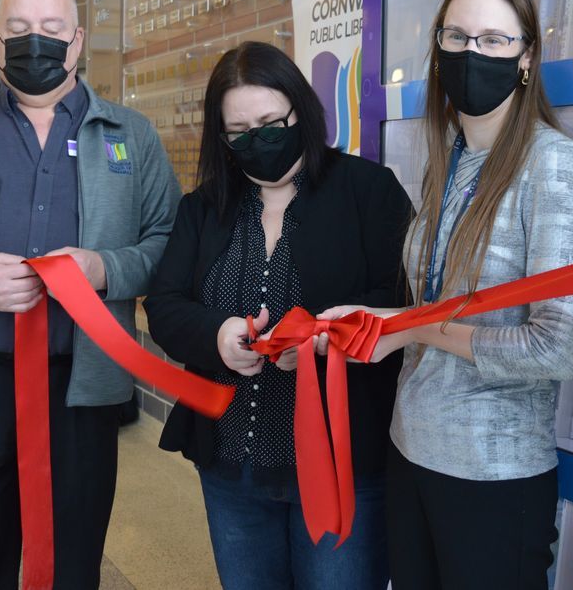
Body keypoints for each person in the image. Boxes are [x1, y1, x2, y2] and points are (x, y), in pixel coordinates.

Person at [319, 0, 573, 590]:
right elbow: (430, 302)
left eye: (494, 40)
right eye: (458, 37)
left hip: (493, 473)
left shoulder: (554, 163)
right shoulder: (447, 158)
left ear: (526, 57)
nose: (473, 53)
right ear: (439, 52)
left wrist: (413, 329)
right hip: (410, 450)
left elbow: (559, 345)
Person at [0, 0, 181, 589]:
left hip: (82, 387)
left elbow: (168, 247)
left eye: (50, 31)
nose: (34, 43)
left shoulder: (132, 137)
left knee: (71, 561)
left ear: (78, 42)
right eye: (18, 31)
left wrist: (103, 269)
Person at [143, 41, 412, 590]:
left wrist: (324, 342)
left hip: (342, 467)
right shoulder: (204, 207)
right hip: (230, 464)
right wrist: (217, 335)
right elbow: (165, 304)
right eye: (239, 131)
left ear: (301, 112)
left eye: (270, 122)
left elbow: (404, 306)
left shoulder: (367, 191)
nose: (257, 140)